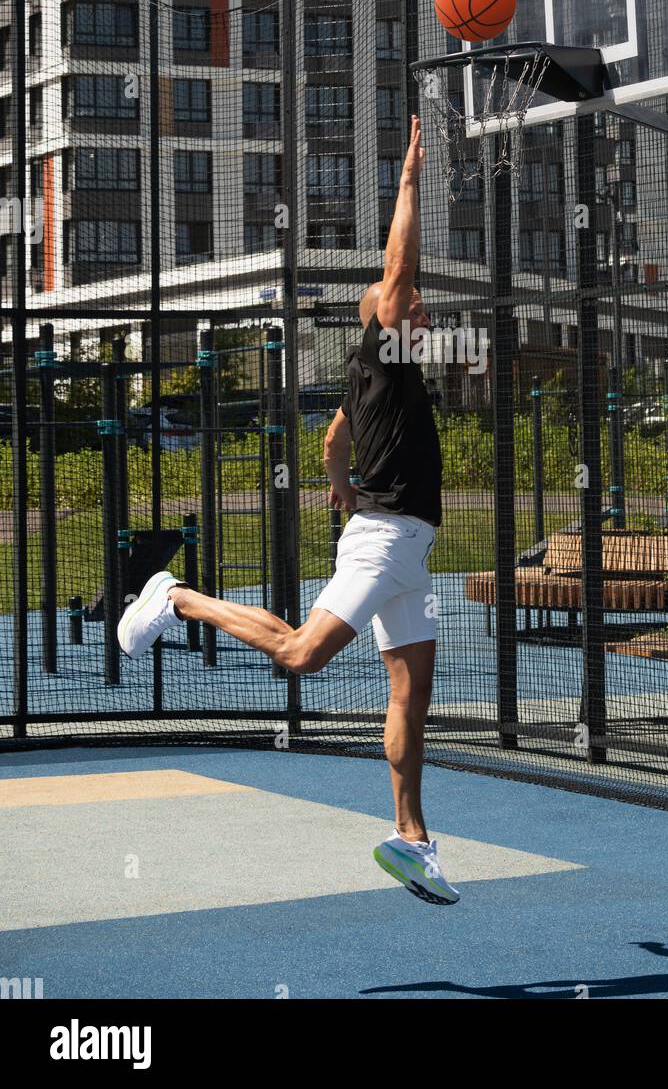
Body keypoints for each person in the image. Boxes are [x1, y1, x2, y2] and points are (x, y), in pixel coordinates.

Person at [117, 116, 458, 906]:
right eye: (412, 305)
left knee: (411, 693)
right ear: (390, 316)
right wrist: (408, 181)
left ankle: (414, 840)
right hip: (384, 543)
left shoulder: (376, 377)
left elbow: (336, 434)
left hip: (405, 547)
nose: (425, 312)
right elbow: (399, 268)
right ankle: (175, 596)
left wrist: (339, 479)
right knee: (302, 655)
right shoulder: (386, 345)